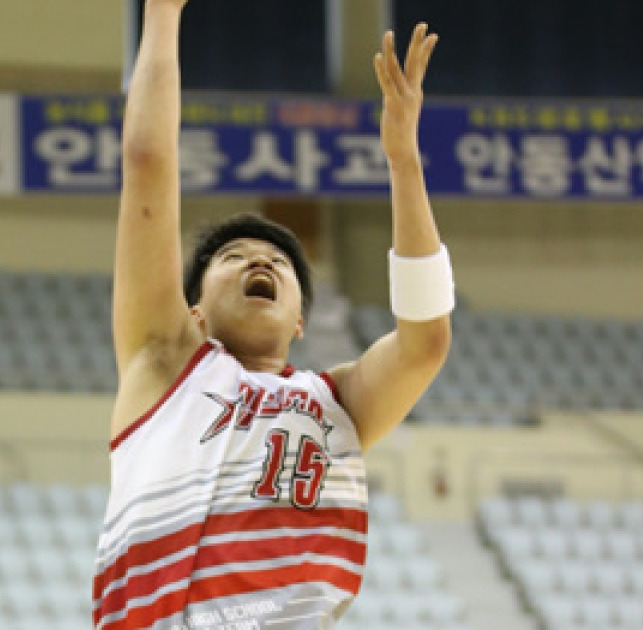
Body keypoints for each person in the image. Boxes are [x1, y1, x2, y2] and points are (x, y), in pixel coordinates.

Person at [93, 1, 452, 628]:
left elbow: (424, 342)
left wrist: (403, 161)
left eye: (280, 263)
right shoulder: (163, 360)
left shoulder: (336, 402)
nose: (260, 262)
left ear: (300, 323)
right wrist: (161, 15)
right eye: (233, 255)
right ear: (194, 310)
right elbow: (148, 163)